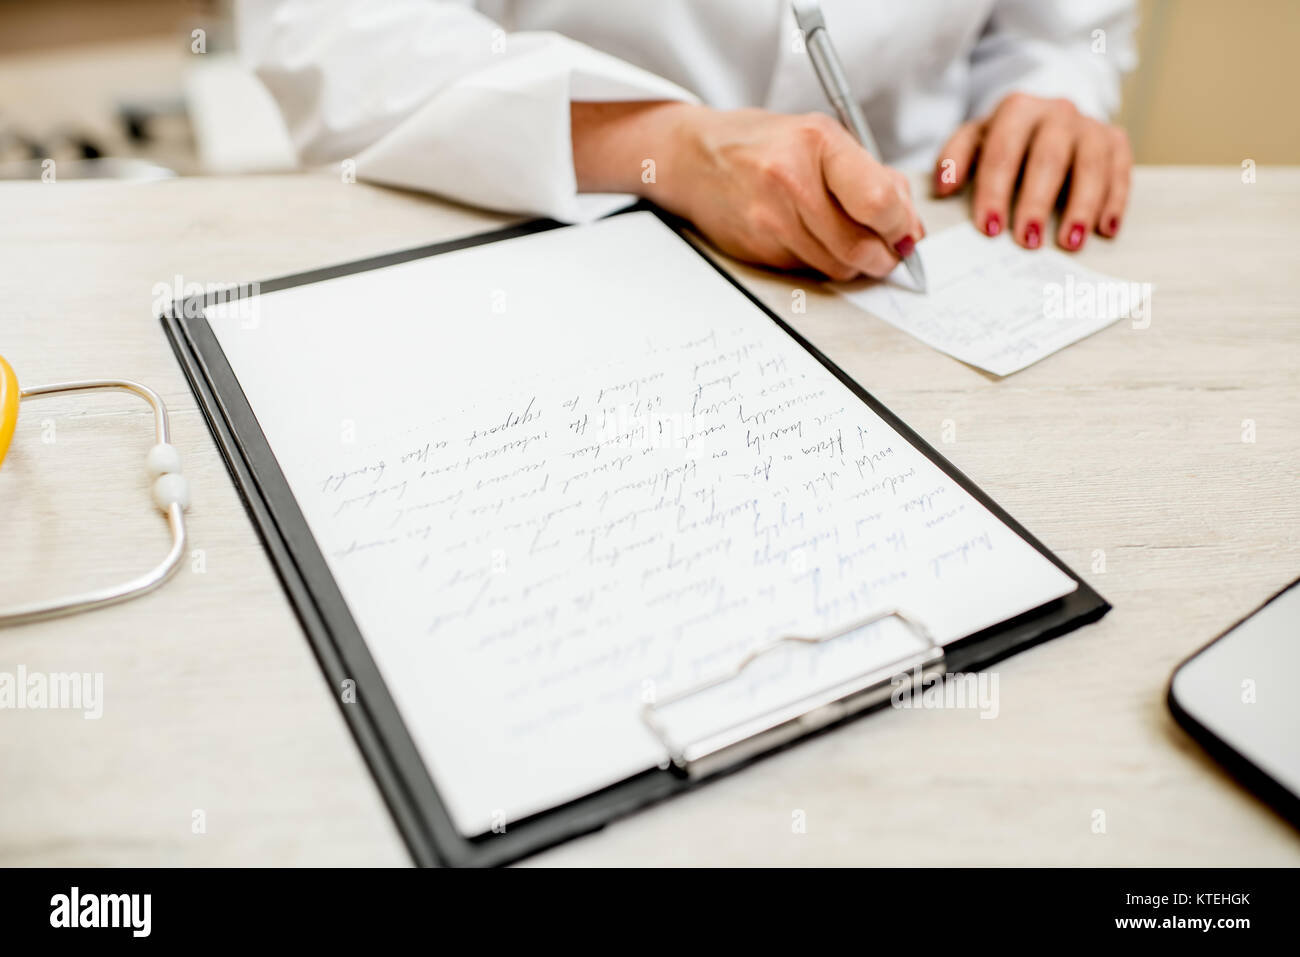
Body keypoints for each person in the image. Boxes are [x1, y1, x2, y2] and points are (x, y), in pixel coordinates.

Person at [237, 0, 1136, 281]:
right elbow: (326, 29)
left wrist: (1048, 97)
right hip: (557, 234)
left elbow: (1058, 27)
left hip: (918, 230)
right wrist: (667, 143)